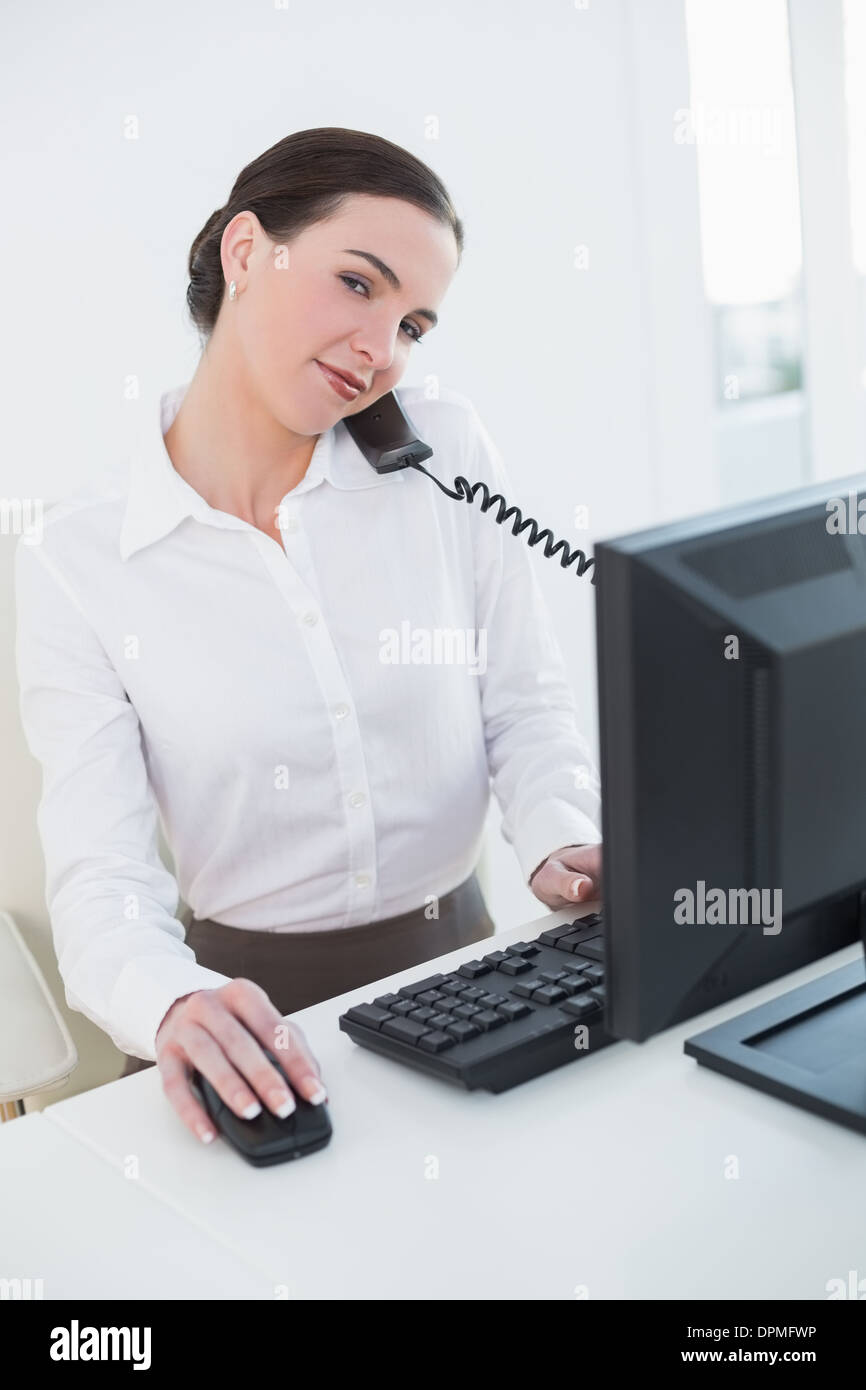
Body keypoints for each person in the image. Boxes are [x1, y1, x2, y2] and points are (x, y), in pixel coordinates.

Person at [14, 126, 603, 1149]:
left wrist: (560, 835)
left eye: (414, 322)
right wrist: (167, 1002)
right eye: (356, 284)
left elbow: (522, 701)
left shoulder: (442, 454)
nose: (383, 350)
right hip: (246, 1018)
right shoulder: (79, 554)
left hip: (469, 973)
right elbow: (101, 875)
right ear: (247, 252)